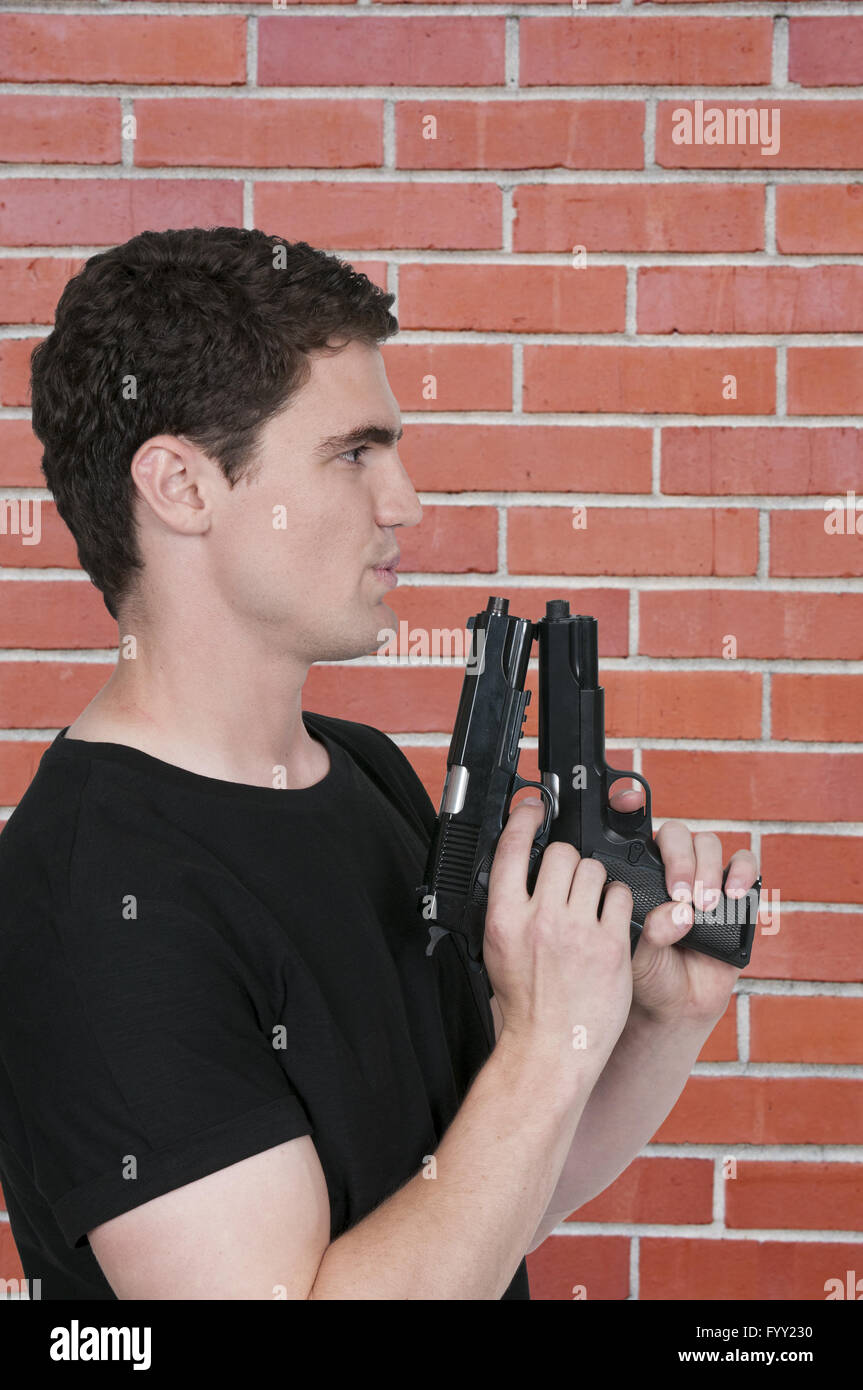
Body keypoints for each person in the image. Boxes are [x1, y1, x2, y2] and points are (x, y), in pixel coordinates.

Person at [0, 227, 759, 1300]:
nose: (402, 501)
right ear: (181, 485)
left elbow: (488, 1207)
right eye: (353, 451)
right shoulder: (89, 906)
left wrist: (651, 1023)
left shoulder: (363, 775)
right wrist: (540, 1045)